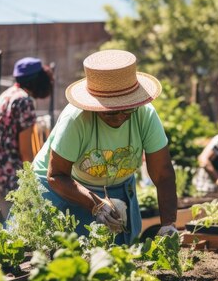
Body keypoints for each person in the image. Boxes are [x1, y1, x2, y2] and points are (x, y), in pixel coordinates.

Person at [32, 49, 178, 244]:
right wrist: (96, 204)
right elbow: (56, 175)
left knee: (121, 255)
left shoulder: (145, 115)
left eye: (127, 110)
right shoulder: (76, 119)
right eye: (109, 112)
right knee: (71, 254)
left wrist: (169, 223)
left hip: (117, 184)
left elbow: (163, 173)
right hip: (65, 187)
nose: (119, 117)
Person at [0, 57, 53, 230]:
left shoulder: (6, 96)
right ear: (37, 80)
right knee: (14, 234)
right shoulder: (24, 101)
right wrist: (33, 181)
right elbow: (25, 150)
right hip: (8, 176)